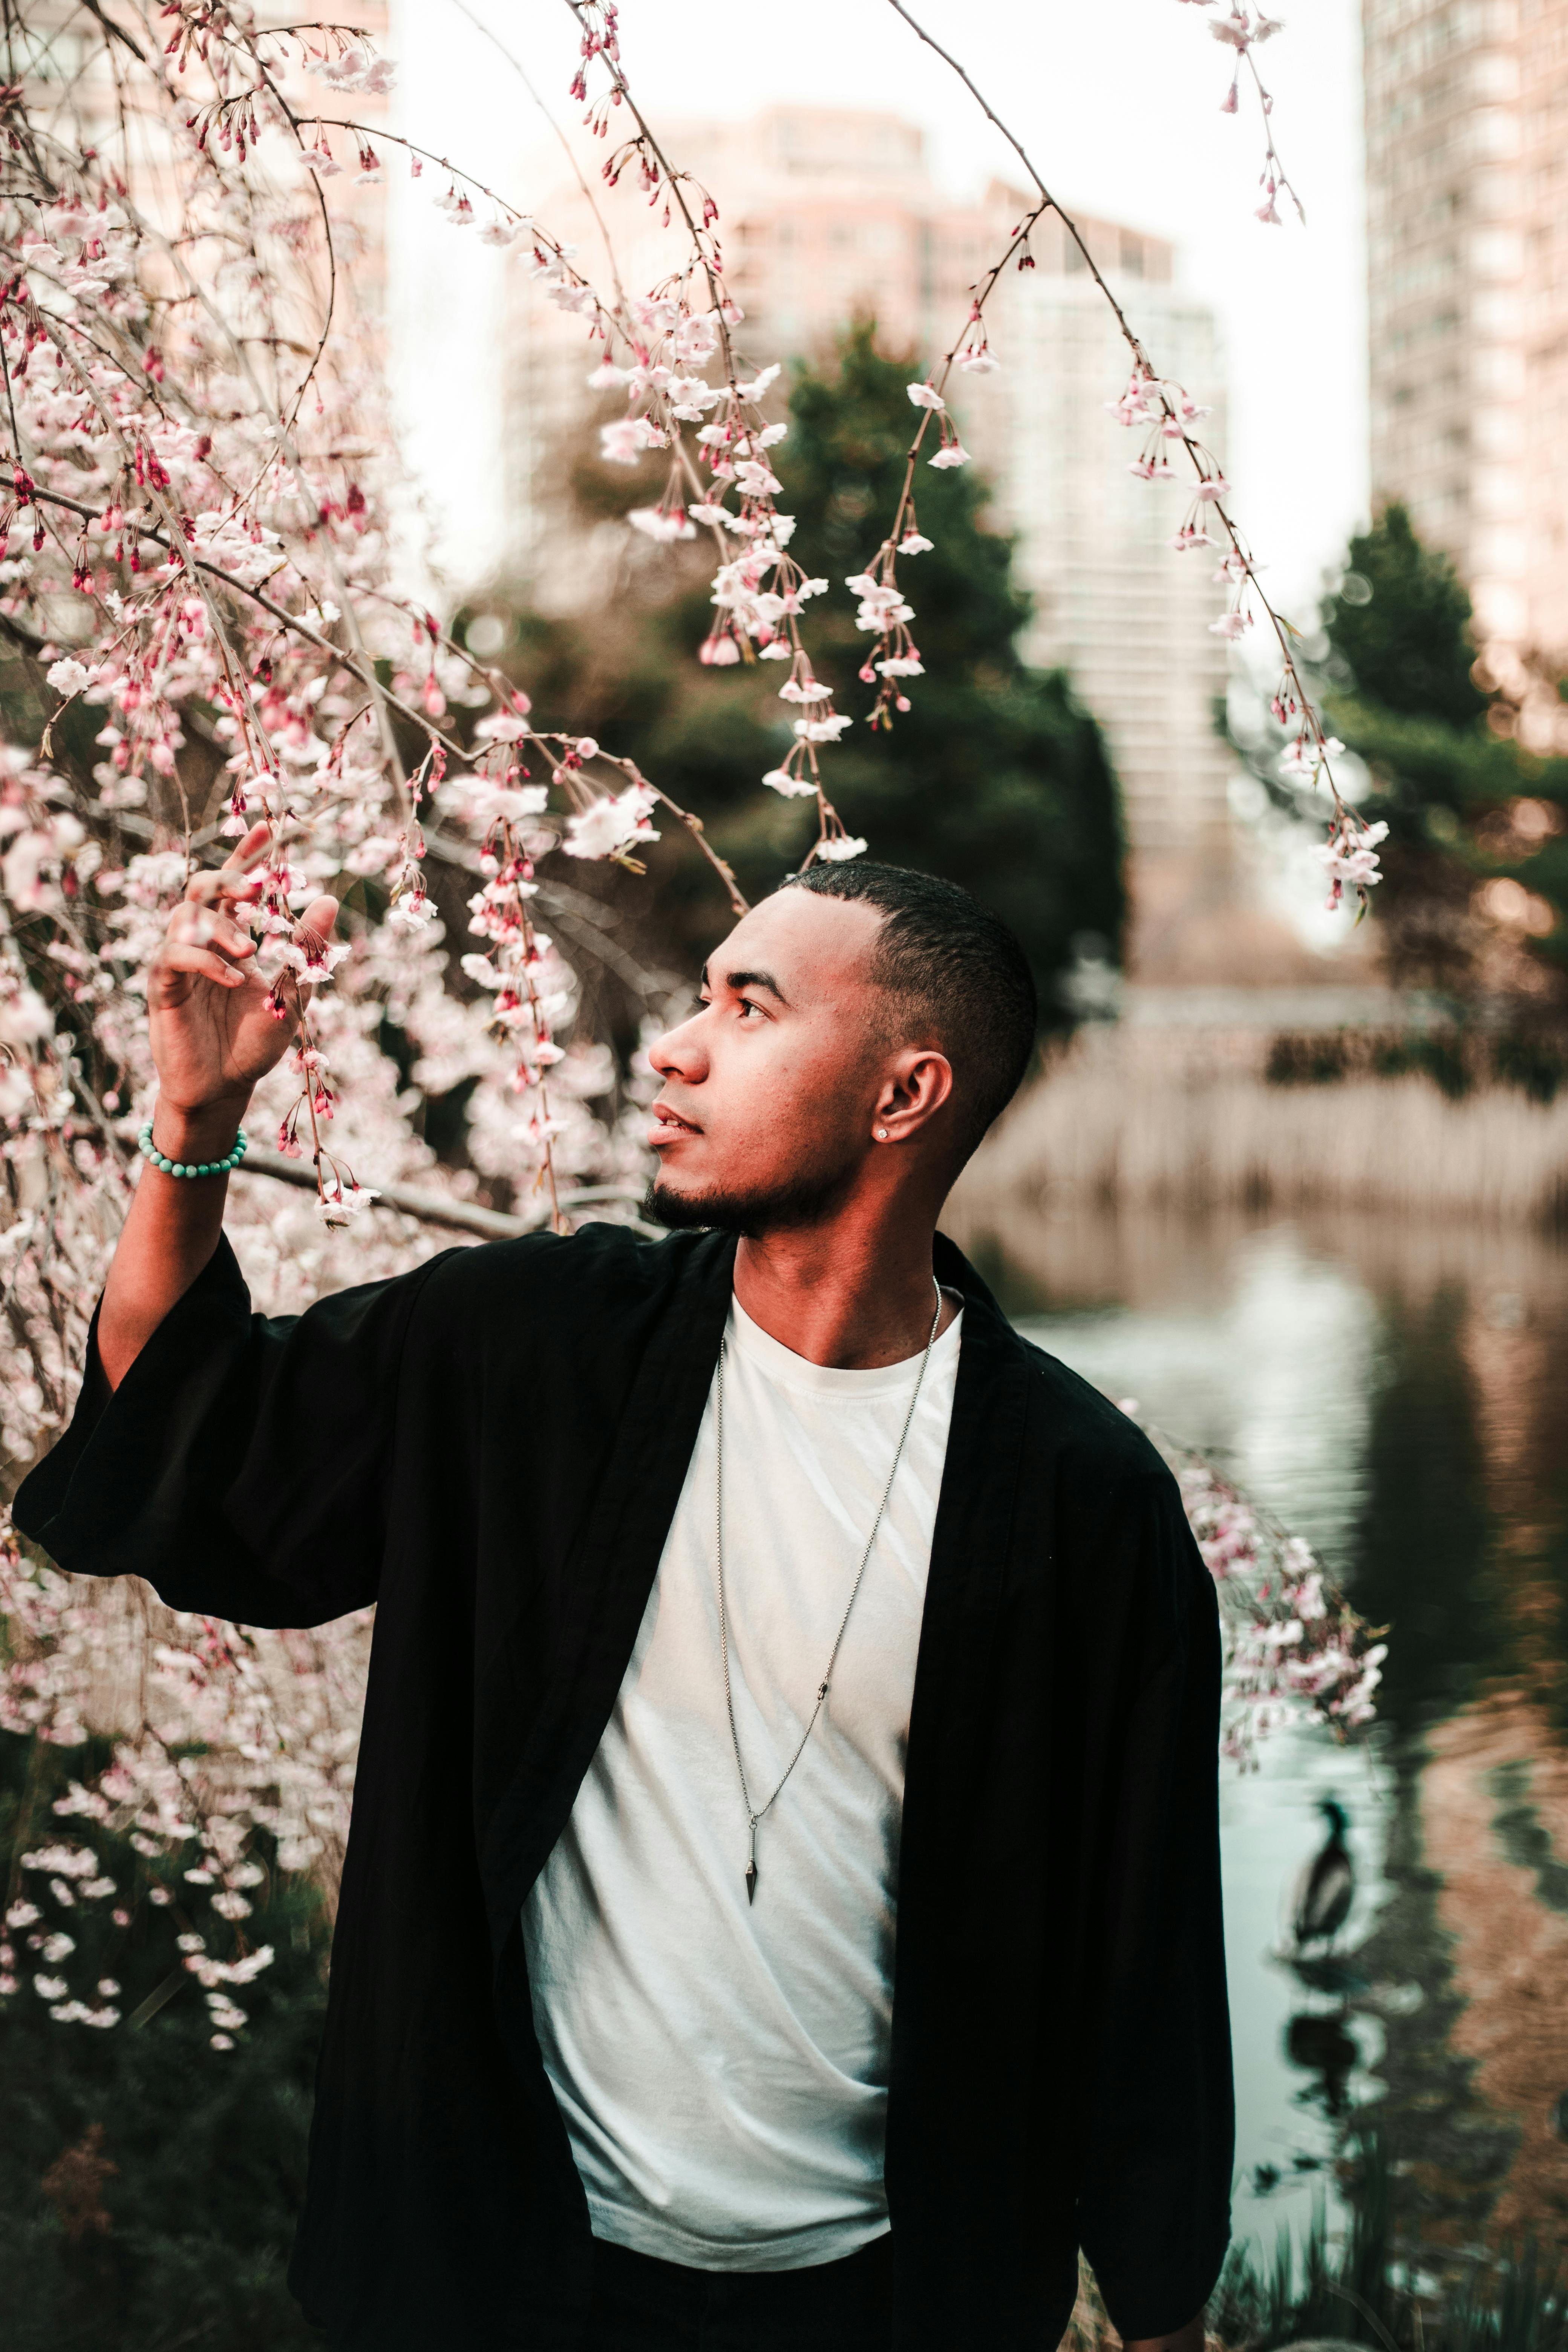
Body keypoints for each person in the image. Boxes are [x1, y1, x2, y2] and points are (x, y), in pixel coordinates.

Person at [14, 832, 1233, 2352]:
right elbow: (186, 1457)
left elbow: (1143, 1948)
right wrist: (195, 1121)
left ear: (903, 1094)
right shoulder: (532, 1344)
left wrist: (1164, 2308)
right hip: (499, 2271)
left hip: (887, 2295)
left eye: (748, 1008)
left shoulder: (1077, 1498)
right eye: (699, 1001)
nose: (673, 1047)